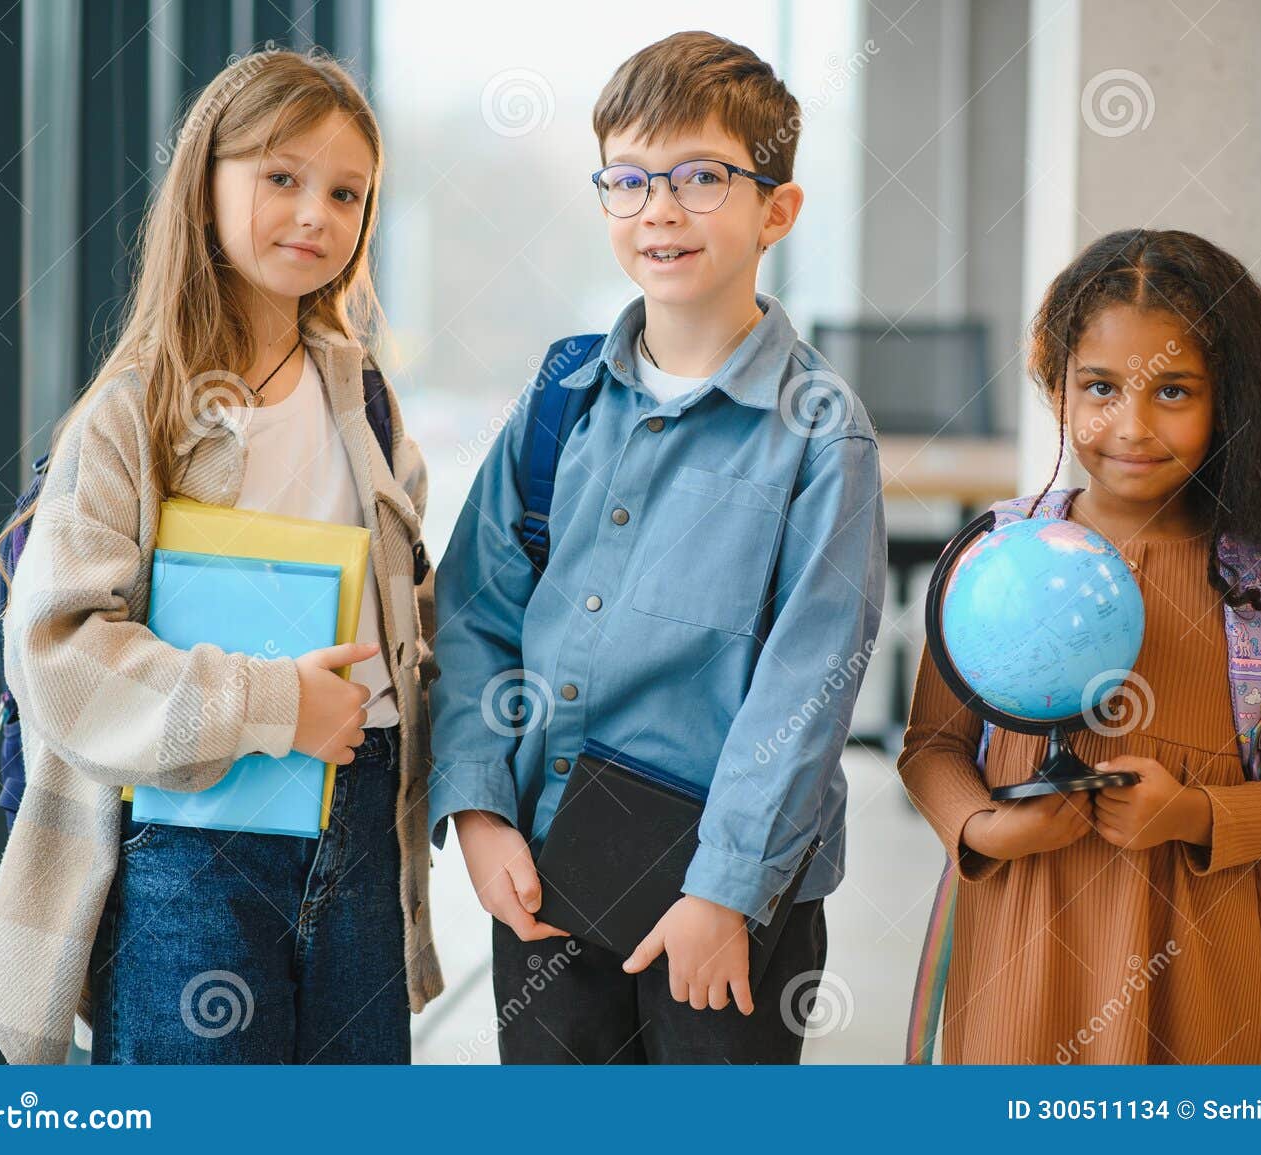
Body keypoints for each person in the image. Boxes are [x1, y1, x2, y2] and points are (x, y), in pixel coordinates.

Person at [0, 49, 443, 1064]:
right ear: (205, 184)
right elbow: (58, 649)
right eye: (280, 177)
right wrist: (276, 706)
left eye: (344, 192)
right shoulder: (135, 409)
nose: (314, 213)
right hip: (186, 836)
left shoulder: (363, 398)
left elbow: (407, 603)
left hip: (354, 821)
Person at [428, 31, 887, 1064]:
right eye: (628, 181)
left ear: (777, 208)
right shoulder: (558, 398)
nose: (659, 210)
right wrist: (479, 810)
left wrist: (723, 892)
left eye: (701, 177)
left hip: (723, 899)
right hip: (547, 870)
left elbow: (808, 684)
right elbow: (473, 612)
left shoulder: (819, 430)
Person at [901, 228, 1261, 1064]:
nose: (1132, 424)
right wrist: (985, 831)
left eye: (1174, 391)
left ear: (1230, 401)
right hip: (1022, 951)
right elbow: (931, 747)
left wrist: (1190, 812)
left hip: (1200, 967)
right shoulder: (992, 561)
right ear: (1058, 387)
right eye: (1101, 387)